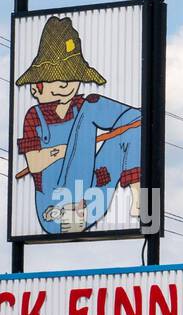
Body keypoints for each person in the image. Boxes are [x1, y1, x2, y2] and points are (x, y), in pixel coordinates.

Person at [14, 15, 141, 234]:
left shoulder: (80, 106)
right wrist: (65, 150)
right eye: (55, 79)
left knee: (137, 123)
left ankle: (143, 202)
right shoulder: (34, 116)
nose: (64, 85)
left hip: (92, 200)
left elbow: (134, 120)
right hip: (54, 209)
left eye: (70, 78)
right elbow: (34, 164)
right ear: (36, 88)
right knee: (93, 105)